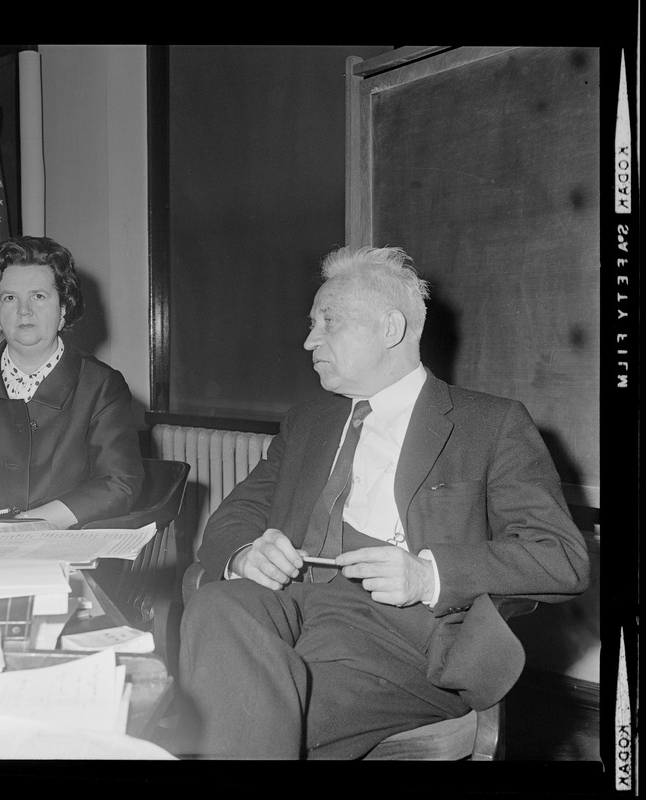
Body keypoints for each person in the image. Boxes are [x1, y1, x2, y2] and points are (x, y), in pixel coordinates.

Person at [177, 245, 590, 759]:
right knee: (217, 603)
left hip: (402, 642)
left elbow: (561, 556)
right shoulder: (307, 423)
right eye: (311, 324)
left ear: (391, 328)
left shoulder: (489, 424)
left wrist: (427, 575)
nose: (309, 340)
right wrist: (244, 554)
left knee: (240, 715)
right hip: (287, 608)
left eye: (328, 322)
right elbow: (235, 517)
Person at [0, 235, 144, 529]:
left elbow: (119, 483)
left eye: (38, 296)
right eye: (10, 298)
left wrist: (29, 524)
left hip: (63, 540)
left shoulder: (101, 386)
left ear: (63, 310)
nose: (24, 310)